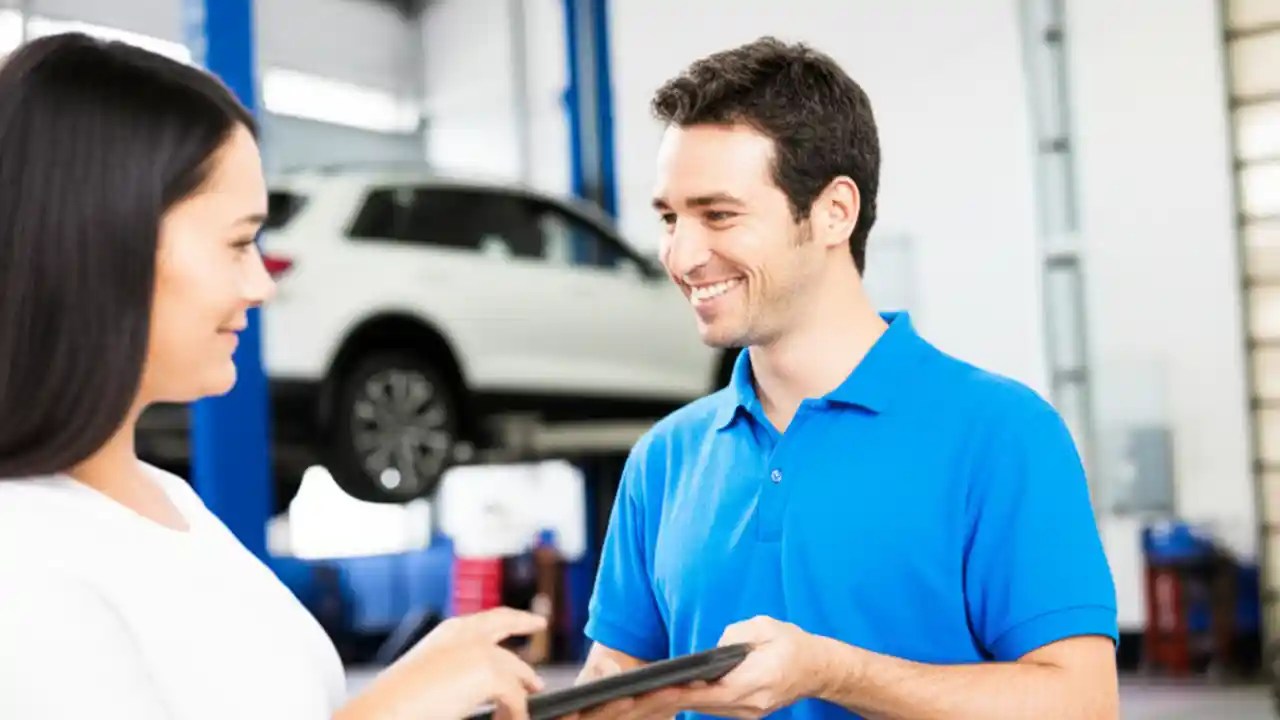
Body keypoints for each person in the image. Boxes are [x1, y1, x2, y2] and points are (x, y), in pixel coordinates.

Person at [0, 33, 544, 720]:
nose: (261, 284)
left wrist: (423, 684)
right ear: (105, 244)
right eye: (236, 242)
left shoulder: (168, 504)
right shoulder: (19, 552)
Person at [574, 37, 1120, 719]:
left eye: (717, 215)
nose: (681, 255)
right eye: (669, 218)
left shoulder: (1002, 435)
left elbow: (1082, 704)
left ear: (835, 211)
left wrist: (832, 671)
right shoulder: (665, 459)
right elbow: (618, 672)